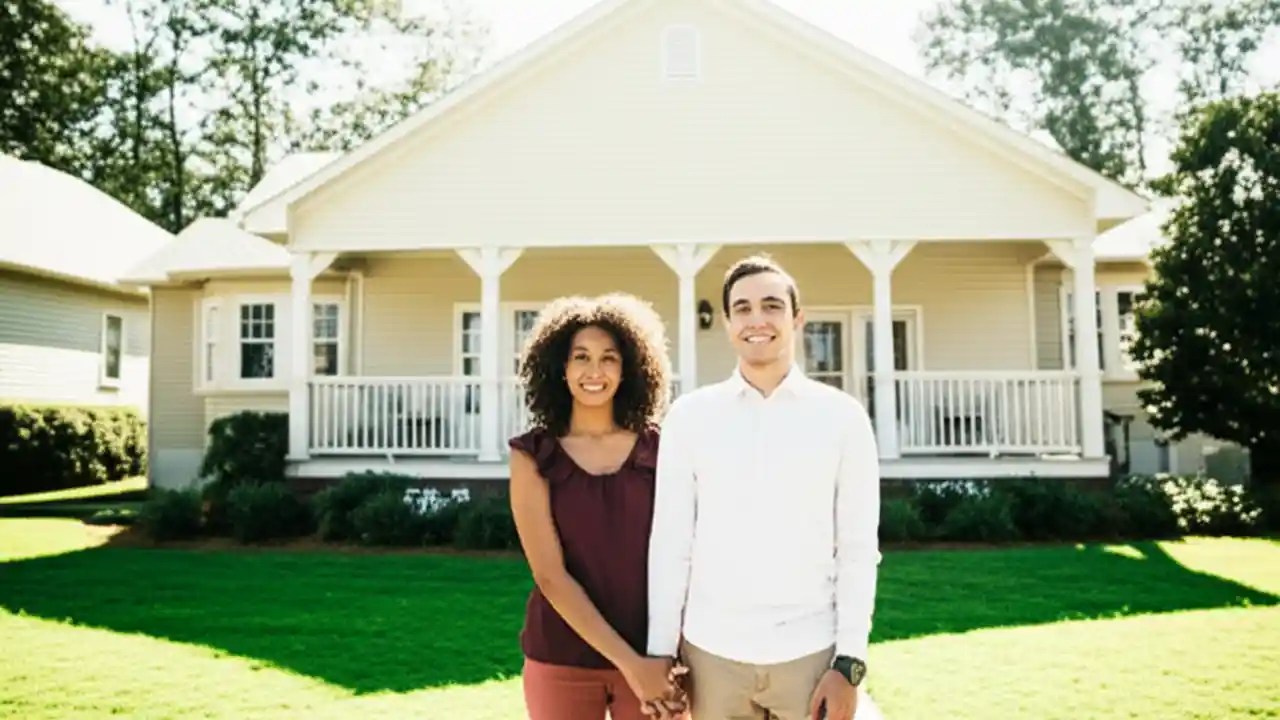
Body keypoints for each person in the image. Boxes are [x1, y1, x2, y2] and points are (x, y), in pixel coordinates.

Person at [647, 254, 882, 720]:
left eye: (772, 305)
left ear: (797, 319)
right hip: (711, 655)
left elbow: (857, 549)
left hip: (810, 652)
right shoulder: (690, 418)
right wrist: (659, 652)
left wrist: (850, 662)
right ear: (729, 322)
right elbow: (671, 544)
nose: (758, 319)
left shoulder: (843, 417)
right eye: (743, 308)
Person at [508, 293, 690, 720]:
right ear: (561, 369)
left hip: (658, 658)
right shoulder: (533, 455)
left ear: (629, 369)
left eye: (609, 358)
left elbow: (688, 556)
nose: (594, 371)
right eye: (581, 357)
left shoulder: (663, 450)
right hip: (561, 659)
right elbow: (550, 577)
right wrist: (632, 667)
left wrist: (659, 661)